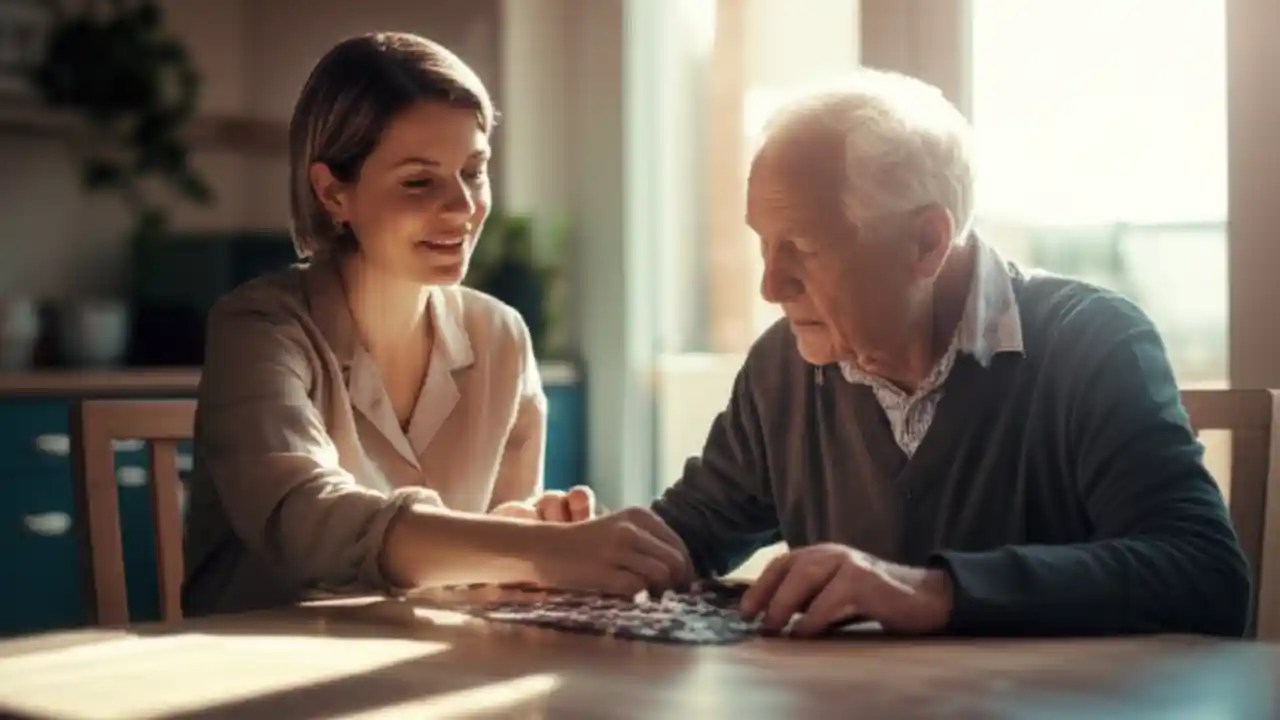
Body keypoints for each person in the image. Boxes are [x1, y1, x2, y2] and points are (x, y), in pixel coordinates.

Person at [648, 69, 1251, 637]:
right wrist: (568, 541)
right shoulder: (783, 365)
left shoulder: (1092, 342)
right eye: (764, 244)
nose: (770, 286)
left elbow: (1205, 576)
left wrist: (935, 592)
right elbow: (684, 539)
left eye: (803, 246)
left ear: (926, 241)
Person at [183, 32, 692, 615]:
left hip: (420, 666)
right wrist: (538, 549)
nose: (462, 207)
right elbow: (308, 521)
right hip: (253, 673)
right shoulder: (259, 329)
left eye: (473, 172)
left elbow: (489, 575)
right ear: (332, 193)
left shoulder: (501, 336)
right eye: (419, 181)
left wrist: (526, 528)